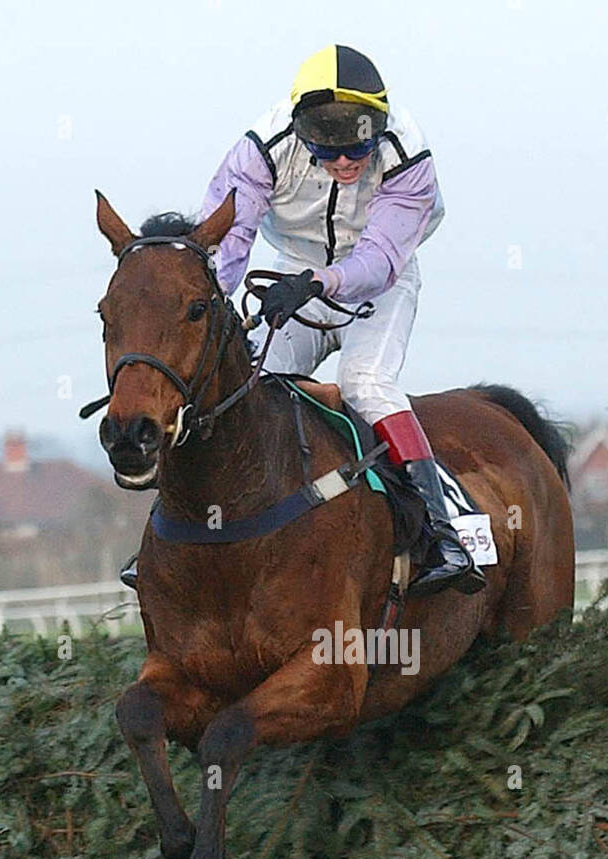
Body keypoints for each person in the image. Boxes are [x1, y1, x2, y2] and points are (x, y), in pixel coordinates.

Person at [194, 43, 483, 596]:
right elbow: (228, 238)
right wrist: (219, 303)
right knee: (244, 384)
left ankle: (449, 531)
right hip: (296, 272)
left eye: (356, 143)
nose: (345, 160)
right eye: (326, 146)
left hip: (383, 279)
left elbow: (376, 263)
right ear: (300, 126)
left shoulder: (408, 154)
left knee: (364, 383)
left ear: (379, 119)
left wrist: (318, 284)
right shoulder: (261, 147)